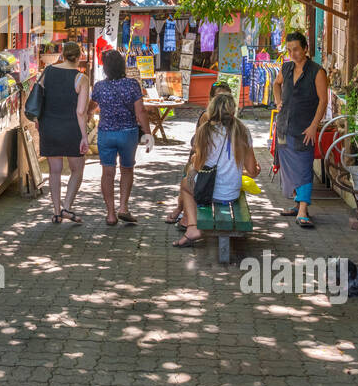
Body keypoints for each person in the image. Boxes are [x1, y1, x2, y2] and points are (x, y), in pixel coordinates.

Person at [173, 91, 260, 247]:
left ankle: (192, 227)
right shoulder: (243, 131)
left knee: (186, 184)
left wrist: (194, 161)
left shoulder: (205, 130)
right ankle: (191, 226)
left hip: (209, 192)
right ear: (233, 111)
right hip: (232, 193)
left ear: (211, 110)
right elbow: (253, 172)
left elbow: (199, 166)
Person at [88, 49, 154, 225]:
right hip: (128, 133)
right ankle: (123, 207)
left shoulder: (99, 86)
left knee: (107, 172)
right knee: (127, 169)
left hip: (106, 133)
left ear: (106, 68)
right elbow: (140, 111)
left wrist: (86, 119)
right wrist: (148, 133)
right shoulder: (132, 85)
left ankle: (110, 213)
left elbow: (91, 107)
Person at [272, 31, 329, 228]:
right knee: (288, 169)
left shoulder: (317, 71)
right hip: (284, 126)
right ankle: (297, 204)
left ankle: (303, 210)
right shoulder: (286, 68)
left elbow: (323, 101)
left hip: (305, 128)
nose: (293, 54)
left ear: (305, 49)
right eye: (289, 50)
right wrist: (278, 102)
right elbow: (276, 84)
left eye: (296, 49)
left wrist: (314, 126)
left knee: (304, 168)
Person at [164, 82, 234, 225]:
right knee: (190, 175)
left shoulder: (232, 122)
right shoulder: (207, 117)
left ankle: (185, 216)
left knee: (193, 178)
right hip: (200, 154)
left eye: (226, 97)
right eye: (219, 97)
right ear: (211, 99)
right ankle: (181, 210)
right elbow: (200, 146)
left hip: (212, 162)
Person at [37, 40, 90, 223]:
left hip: (49, 126)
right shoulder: (81, 78)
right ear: (80, 56)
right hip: (71, 129)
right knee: (77, 169)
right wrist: (84, 136)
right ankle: (67, 207)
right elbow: (81, 111)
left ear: (62, 54)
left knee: (54, 171)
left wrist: (38, 121)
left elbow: (39, 99)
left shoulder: (48, 71)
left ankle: (56, 211)